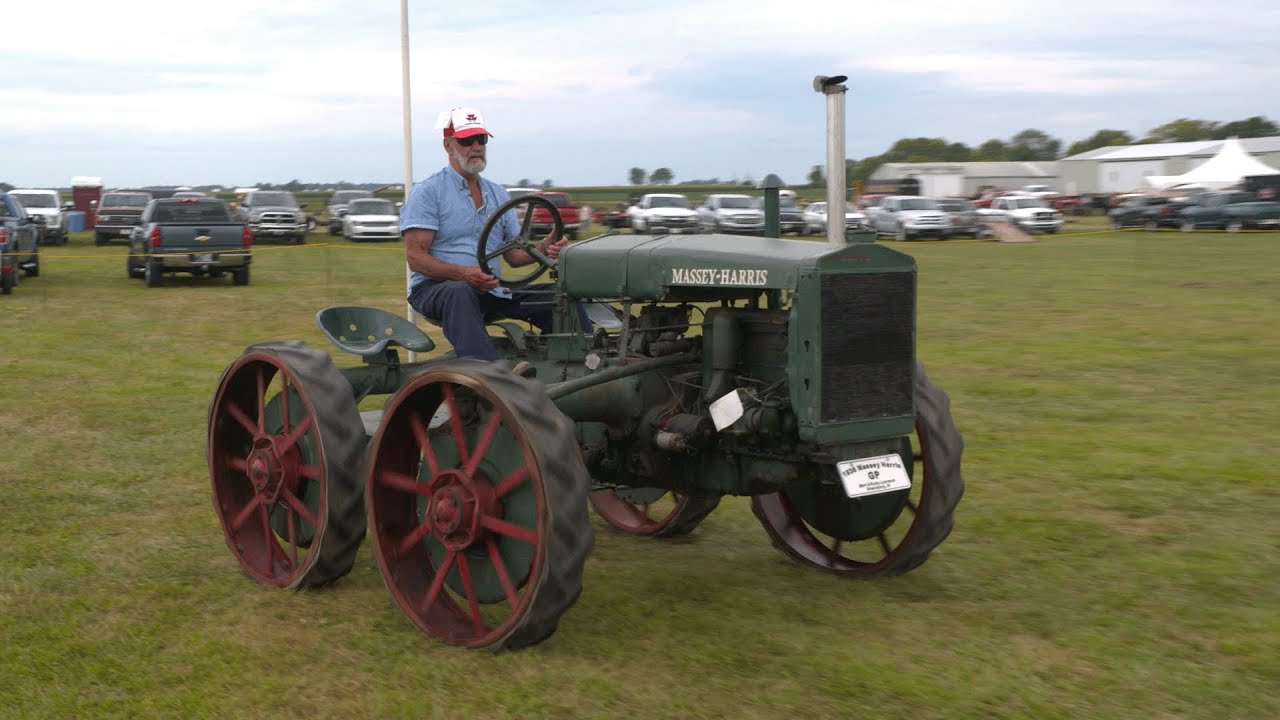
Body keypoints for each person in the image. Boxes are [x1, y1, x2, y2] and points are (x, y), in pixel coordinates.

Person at [400, 107, 585, 362]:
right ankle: (492, 375)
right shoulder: (429, 192)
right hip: (436, 290)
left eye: (481, 139)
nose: (476, 146)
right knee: (459, 291)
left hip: (491, 289)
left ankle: (579, 363)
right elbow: (416, 258)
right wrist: (465, 275)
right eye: (467, 140)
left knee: (559, 295)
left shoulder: (497, 193)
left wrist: (544, 247)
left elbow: (514, 255)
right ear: (448, 145)